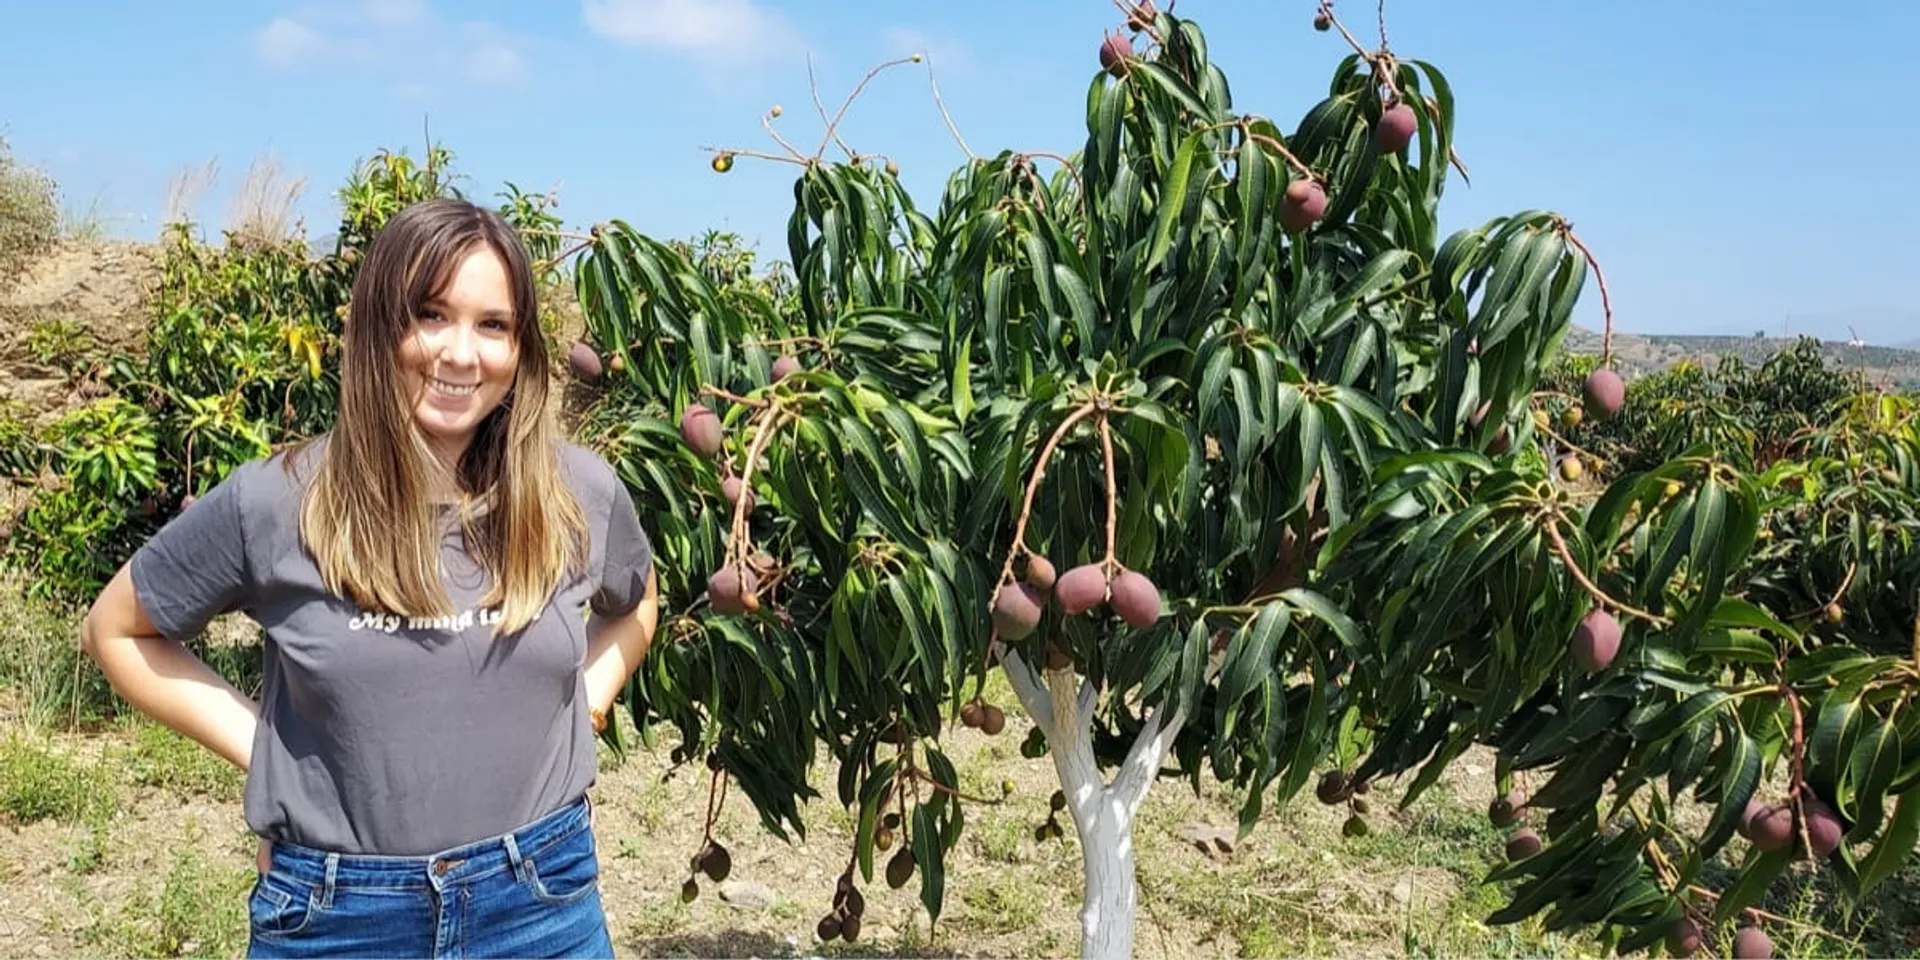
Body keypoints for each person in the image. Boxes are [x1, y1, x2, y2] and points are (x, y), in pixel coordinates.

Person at [79, 197, 660, 958]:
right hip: (341, 919)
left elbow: (635, 600)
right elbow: (117, 630)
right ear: (378, 324)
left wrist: (587, 694)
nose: (461, 354)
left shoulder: (576, 493)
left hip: (540, 904)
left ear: (521, 349)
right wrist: (267, 752)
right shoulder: (276, 501)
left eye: (493, 325)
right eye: (430, 314)